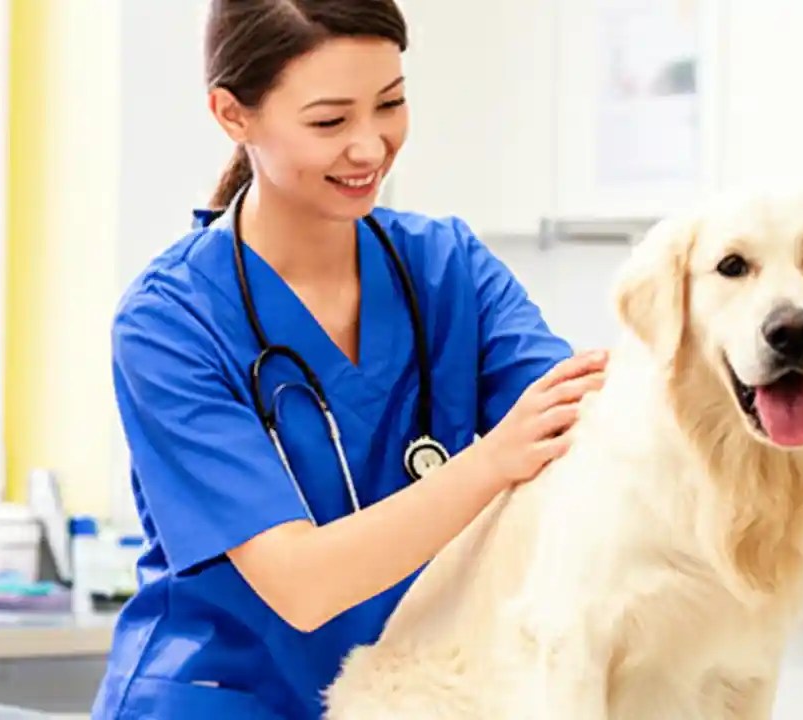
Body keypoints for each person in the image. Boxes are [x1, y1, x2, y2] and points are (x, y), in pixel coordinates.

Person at [90, 1, 606, 717]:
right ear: (233, 115)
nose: (370, 147)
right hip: (224, 698)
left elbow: (589, 432)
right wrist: (492, 461)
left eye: (390, 104)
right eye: (330, 122)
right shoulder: (170, 322)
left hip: (412, 696)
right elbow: (302, 584)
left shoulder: (447, 268)